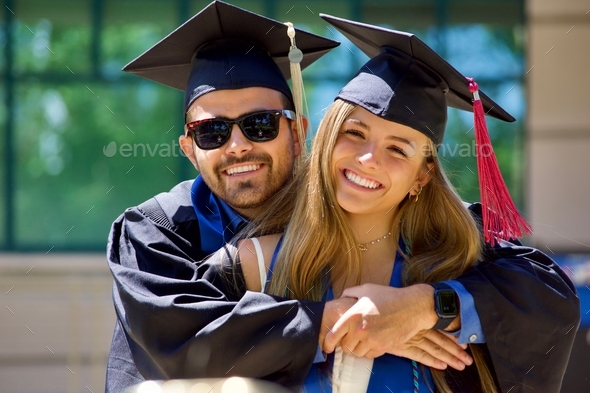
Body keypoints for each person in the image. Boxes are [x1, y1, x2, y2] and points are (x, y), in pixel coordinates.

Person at [106, 4, 579, 393]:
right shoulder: (158, 232)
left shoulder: (412, 226)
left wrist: (423, 307)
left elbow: (543, 294)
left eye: (260, 124)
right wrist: (346, 320)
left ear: (300, 134)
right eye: (211, 132)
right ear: (188, 149)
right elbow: (179, 345)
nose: (237, 146)